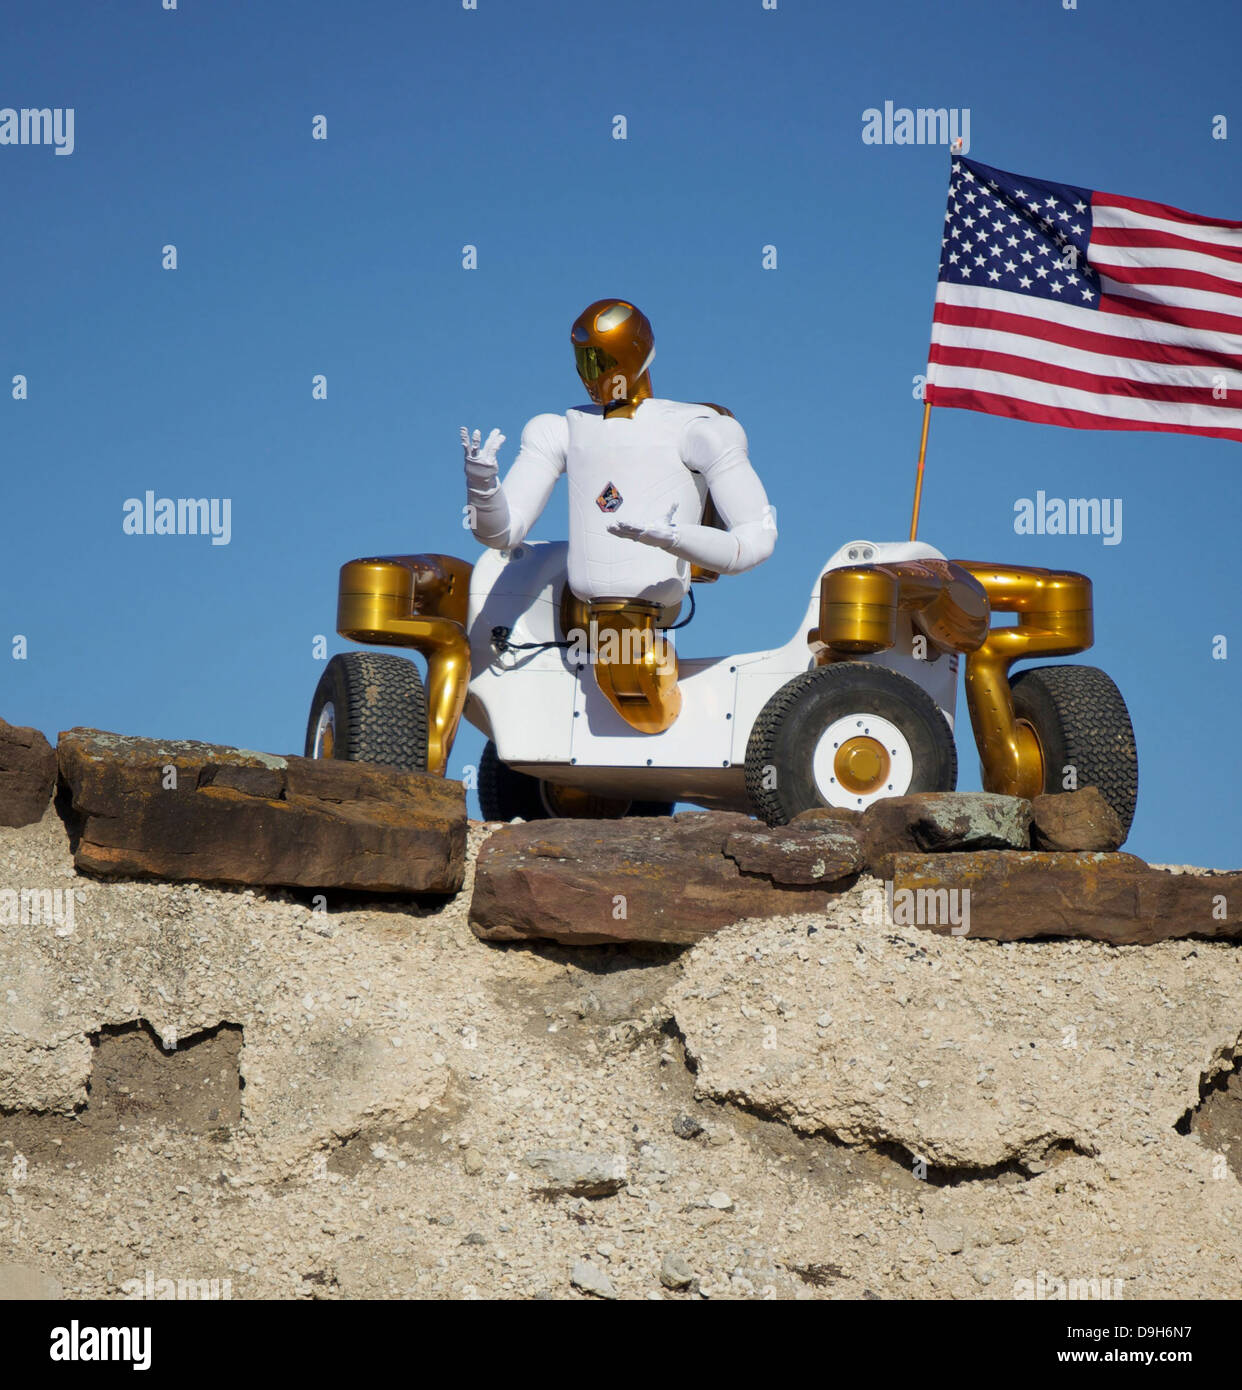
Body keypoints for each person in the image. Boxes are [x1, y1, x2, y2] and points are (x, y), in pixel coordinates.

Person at [460, 298, 776, 609]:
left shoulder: (696, 430)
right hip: (586, 616)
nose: (590, 376)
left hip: (653, 607)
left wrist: (676, 538)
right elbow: (502, 534)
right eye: (584, 362)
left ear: (633, 355)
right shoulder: (561, 430)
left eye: (601, 362)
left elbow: (754, 541)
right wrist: (482, 484)